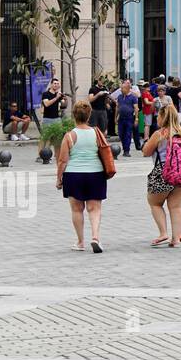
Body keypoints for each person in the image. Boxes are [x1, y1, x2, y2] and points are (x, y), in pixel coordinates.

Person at [55, 99, 109, 253]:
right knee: (95, 208)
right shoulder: (96, 133)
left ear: (74, 116)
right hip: (95, 174)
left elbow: (62, 160)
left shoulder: (69, 136)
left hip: (74, 174)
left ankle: (80, 242)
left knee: (77, 209)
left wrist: (59, 179)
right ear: (89, 115)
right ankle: (95, 237)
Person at [143, 103, 181, 248]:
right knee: (176, 207)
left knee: (155, 203)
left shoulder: (159, 134)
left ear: (162, 117)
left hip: (163, 172)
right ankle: (176, 239)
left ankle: (163, 233)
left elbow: (146, 152)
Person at [114, 79, 139, 156]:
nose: (121, 90)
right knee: (121, 134)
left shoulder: (133, 97)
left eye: (122, 88)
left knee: (128, 134)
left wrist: (136, 119)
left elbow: (136, 108)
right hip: (121, 118)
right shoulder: (120, 97)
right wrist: (115, 117)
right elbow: (117, 107)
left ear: (127, 89)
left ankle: (126, 151)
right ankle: (125, 147)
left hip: (129, 118)